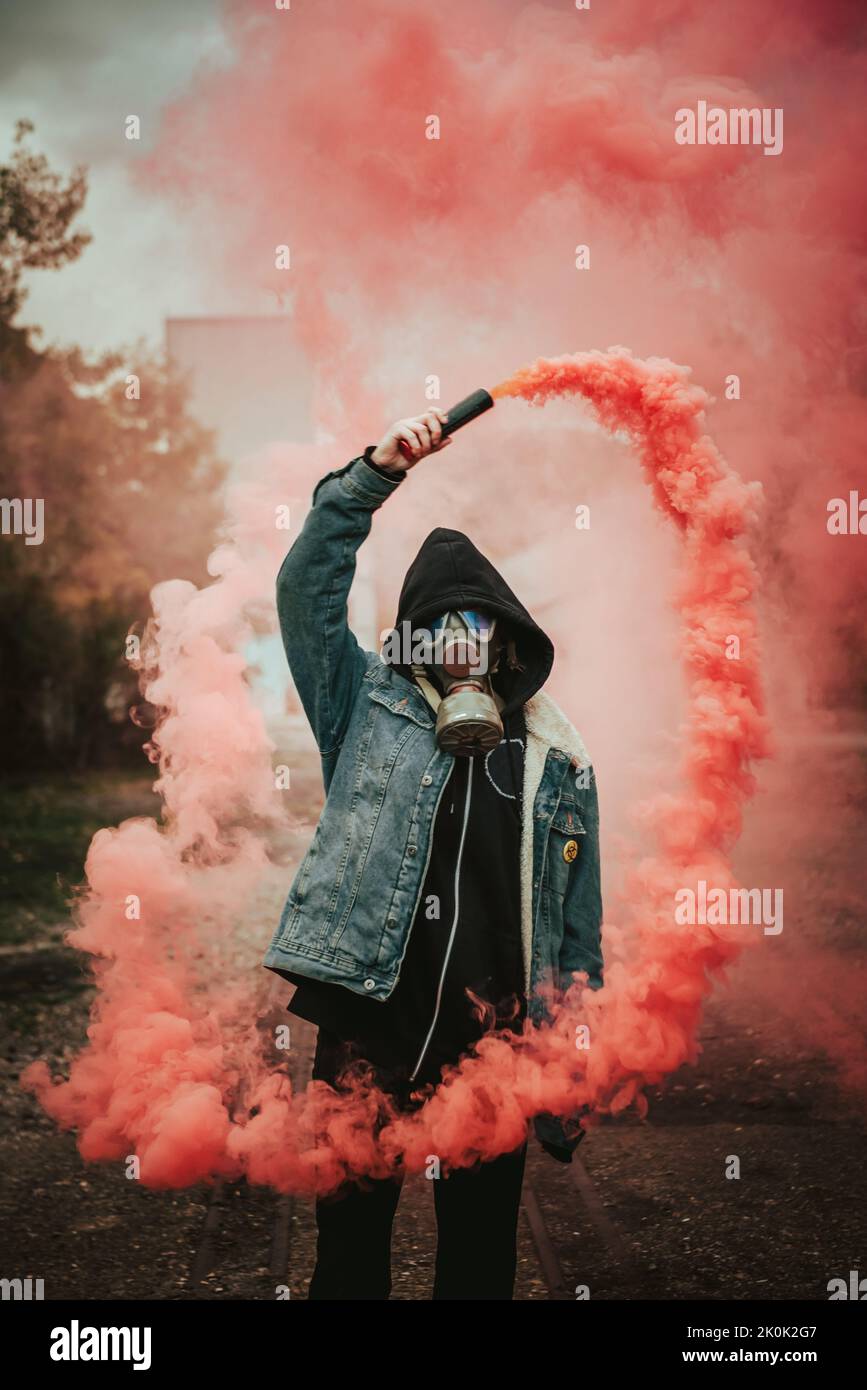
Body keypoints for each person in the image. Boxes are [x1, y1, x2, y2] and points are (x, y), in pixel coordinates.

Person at [263, 409, 604, 1300]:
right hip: (370, 1026)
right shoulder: (364, 711)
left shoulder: (557, 762)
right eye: (438, 623)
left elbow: (577, 934)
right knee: (345, 1261)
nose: (459, 638)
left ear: (505, 640)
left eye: (477, 621)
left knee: (480, 1266)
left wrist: (567, 1061)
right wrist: (376, 472)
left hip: (490, 1045)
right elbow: (305, 591)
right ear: (411, 642)